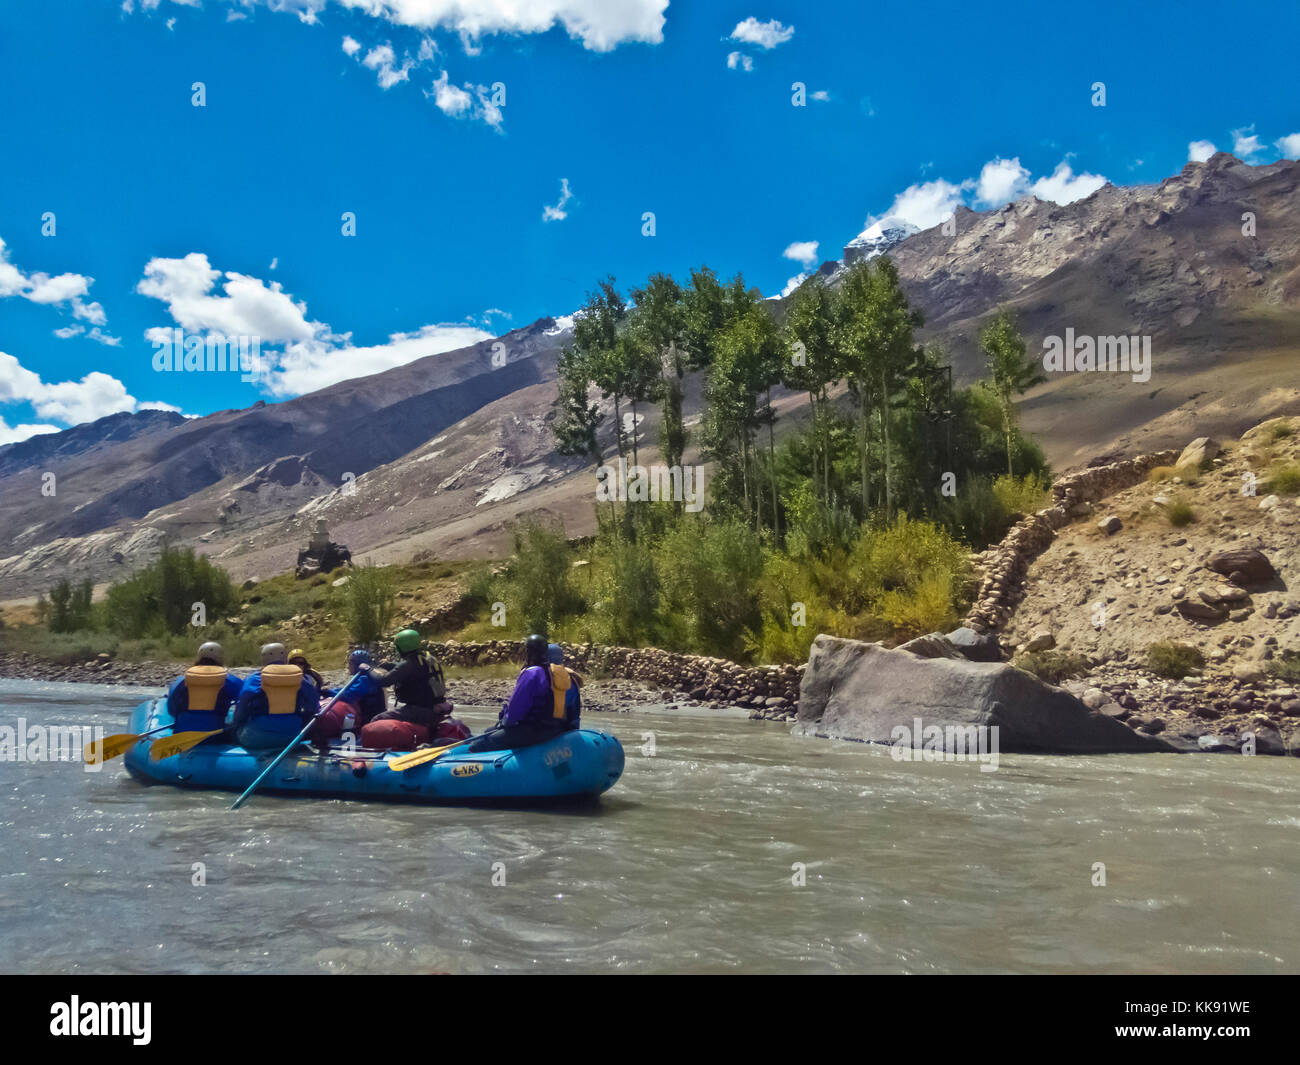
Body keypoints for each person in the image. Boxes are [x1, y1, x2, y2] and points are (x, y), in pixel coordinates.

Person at [358, 629, 466, 750]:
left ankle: (368, 750)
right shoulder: (426, 659)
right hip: (436, 707)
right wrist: (390, 665)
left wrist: (368, 669)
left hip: (420, 710)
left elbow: (384, 681)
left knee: (377, 719)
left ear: (401, 647)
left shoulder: (408, 665)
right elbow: (411, 670)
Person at [467, 634, 577, 753]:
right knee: (491, 731)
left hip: (534, 730)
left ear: (529, 652)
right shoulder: (559, 674)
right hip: (555, 729)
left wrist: (504, 724)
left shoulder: (532, 673)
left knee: (479, 744)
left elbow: (516, 709)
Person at [232, 642, 319, 750]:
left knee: (235, 731)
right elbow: (313, 706)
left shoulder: (255, 679)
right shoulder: (300, 678)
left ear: (263, 659)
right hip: (292, 736)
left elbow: (242, 708)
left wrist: (236, 726)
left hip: (258, 737)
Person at [307, 648, 388, 754]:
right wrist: (329, 691)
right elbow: (346, 690)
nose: (348, 666)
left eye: (350, 663)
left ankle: (348, 748)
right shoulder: (363, 676)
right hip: (369, 714)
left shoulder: (365, 679)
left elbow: (349, 695)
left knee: (348, 718)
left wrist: (329, 692)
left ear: (356, 664)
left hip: (368, 717)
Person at [165, 641, 243, 737]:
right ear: (220, 658)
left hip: (182, 733)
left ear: (199, 657)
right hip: (215, 735)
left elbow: (171, 710)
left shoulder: (182, 680)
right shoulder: (230, 680)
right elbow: (244, 703)